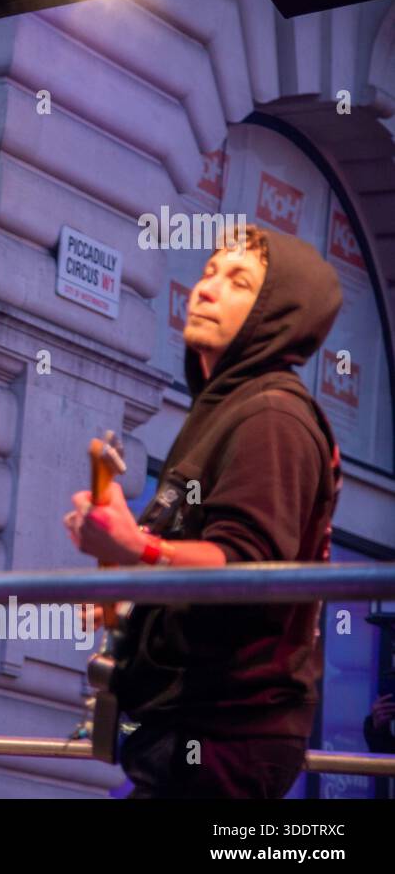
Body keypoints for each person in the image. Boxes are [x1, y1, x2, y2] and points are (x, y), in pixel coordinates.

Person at [64, 224, 343, 798]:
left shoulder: (272, 416)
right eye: (209, 272)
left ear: (279, 313)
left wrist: (134, 548)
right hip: (185, 727)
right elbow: (201, 554)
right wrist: (129, 571)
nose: (205, 289)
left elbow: (249, 567)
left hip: (223, 732)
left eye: (239, 281)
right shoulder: (225, 409)